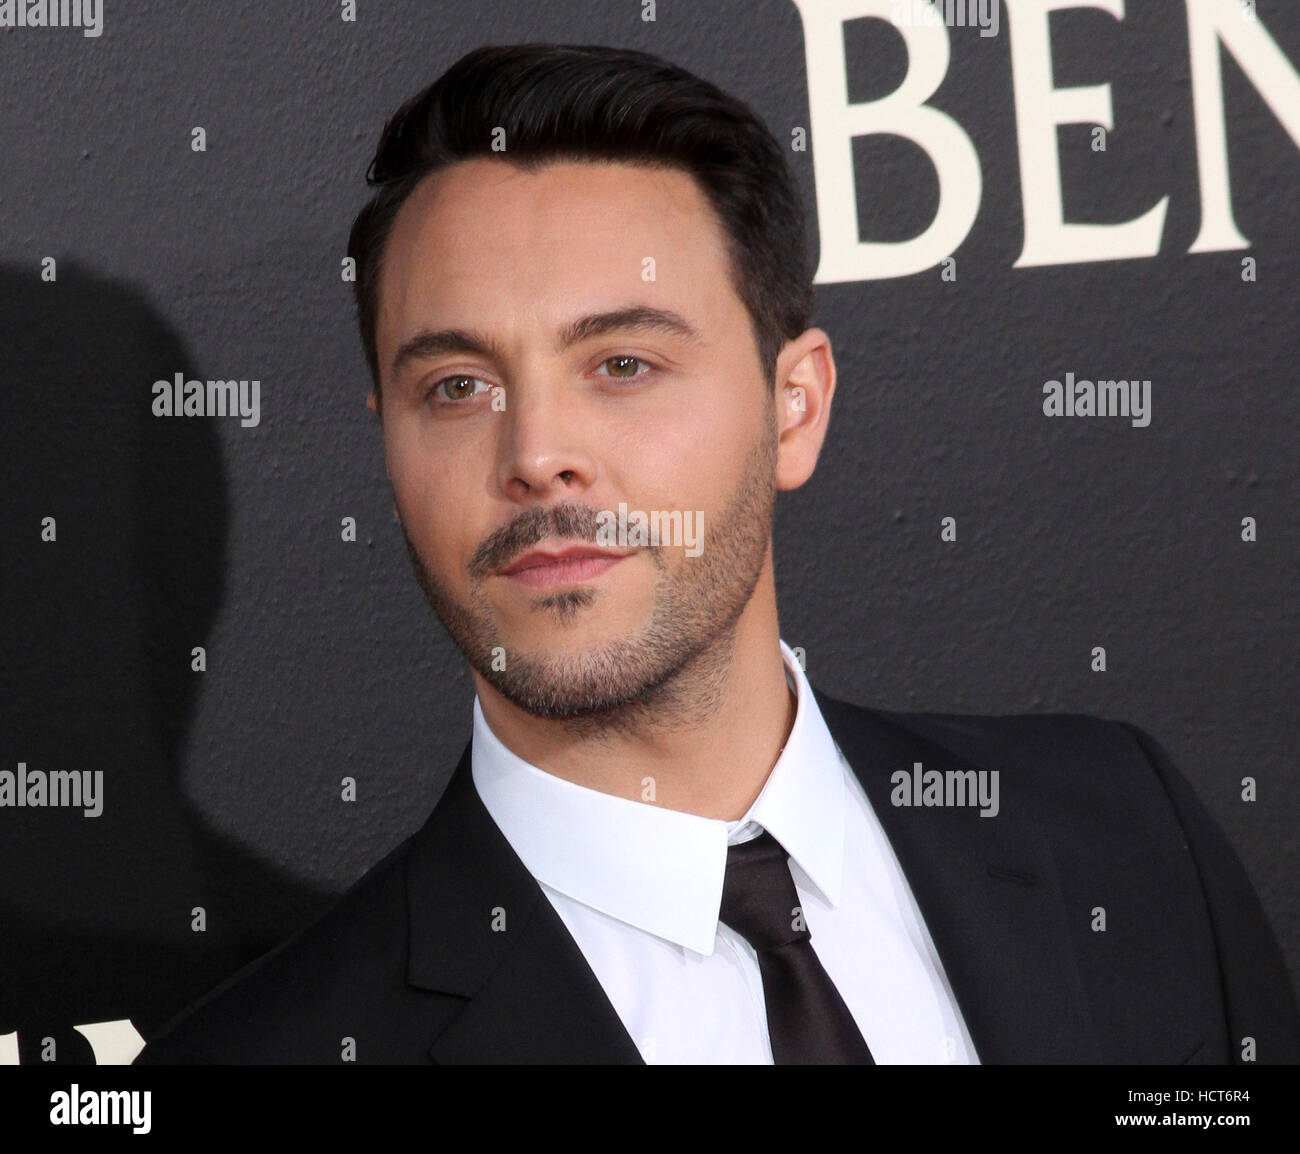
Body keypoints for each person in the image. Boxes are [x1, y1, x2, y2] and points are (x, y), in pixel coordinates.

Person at [134, 43, 1298, 1065]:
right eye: (456, 385)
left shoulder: (1119, 830)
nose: (537, 455)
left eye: (623, 364)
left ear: (793, 408)